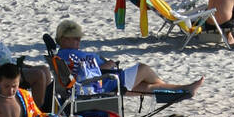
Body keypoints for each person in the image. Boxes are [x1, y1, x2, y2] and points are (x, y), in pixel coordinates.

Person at [54, 18, 204, 97]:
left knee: (148, 88)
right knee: (143, 69)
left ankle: (185, 89)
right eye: (75, 38)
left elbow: (82, 72)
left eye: (79, 38)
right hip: (107, 82)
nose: (79, 41)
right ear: (64, 39)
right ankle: (180, 90)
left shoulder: (64, 55)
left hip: (104, 81)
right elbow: (87, 73)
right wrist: (108, 65)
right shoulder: (70, 55)